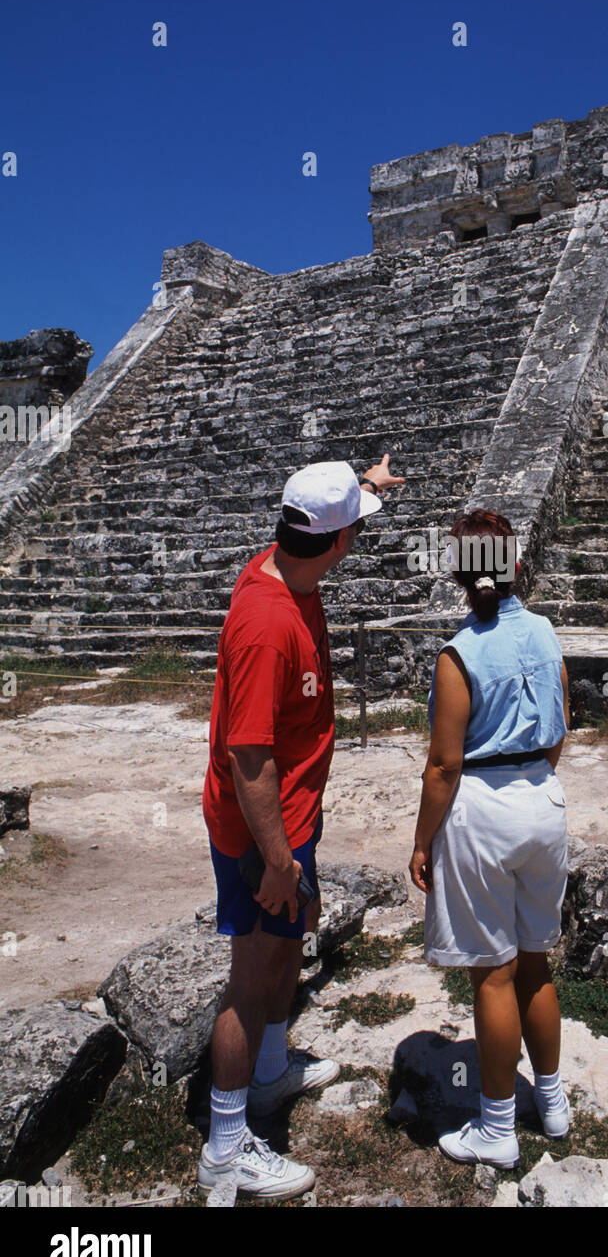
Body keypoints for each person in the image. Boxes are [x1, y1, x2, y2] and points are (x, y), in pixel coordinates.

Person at [198, 454, 404, 1200]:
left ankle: (271, 1069)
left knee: (288, 948)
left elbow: (327, 511)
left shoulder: (291, 565)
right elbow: (246, 754)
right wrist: (279, 860)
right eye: (357, 523)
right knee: (247, 983)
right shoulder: (266, 623)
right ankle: (225, 1148)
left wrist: (370, 486)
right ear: (340, 541)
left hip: (293, 817)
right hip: (262, 830)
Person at [409, 508, 571, 1170]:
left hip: (482, 808)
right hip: (543, 801)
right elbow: (562, 722)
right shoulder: (546, 632)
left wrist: (422, 842)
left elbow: (444, 764)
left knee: (494, 975)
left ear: (458, 576)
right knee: (536, 962)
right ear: (516, 567)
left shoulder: (460, 654)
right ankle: (554, 1103)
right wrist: (535, 776)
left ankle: (498, 1128)